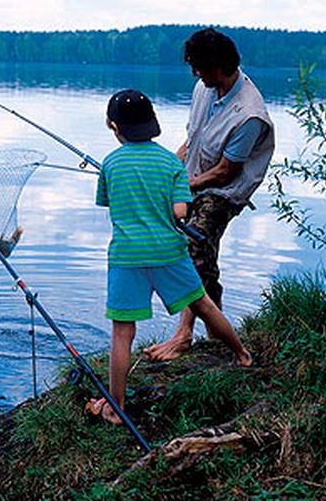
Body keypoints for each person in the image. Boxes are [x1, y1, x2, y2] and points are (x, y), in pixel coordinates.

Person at [90, 89, 252, 425]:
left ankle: (116, 406)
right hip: (169, 253)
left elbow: (107, 201)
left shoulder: (110, 163)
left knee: (123, 332)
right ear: (153, 124)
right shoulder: (170, 163)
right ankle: (242, 354)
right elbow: (181, 210)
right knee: (204, 305)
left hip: (127, 256)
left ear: (112, 125)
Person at [145, 27, 275, 361]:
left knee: (195, 244)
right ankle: (207, 325)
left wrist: (181, 186)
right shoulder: (205, 89)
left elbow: (226, 171)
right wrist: (167, 171)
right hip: (196, 178)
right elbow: (193, 140)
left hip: (225, 191)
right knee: (193, 250)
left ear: (217, 67)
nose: (193, 73)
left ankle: (187, 334)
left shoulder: (250, 114)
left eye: (198, 67)